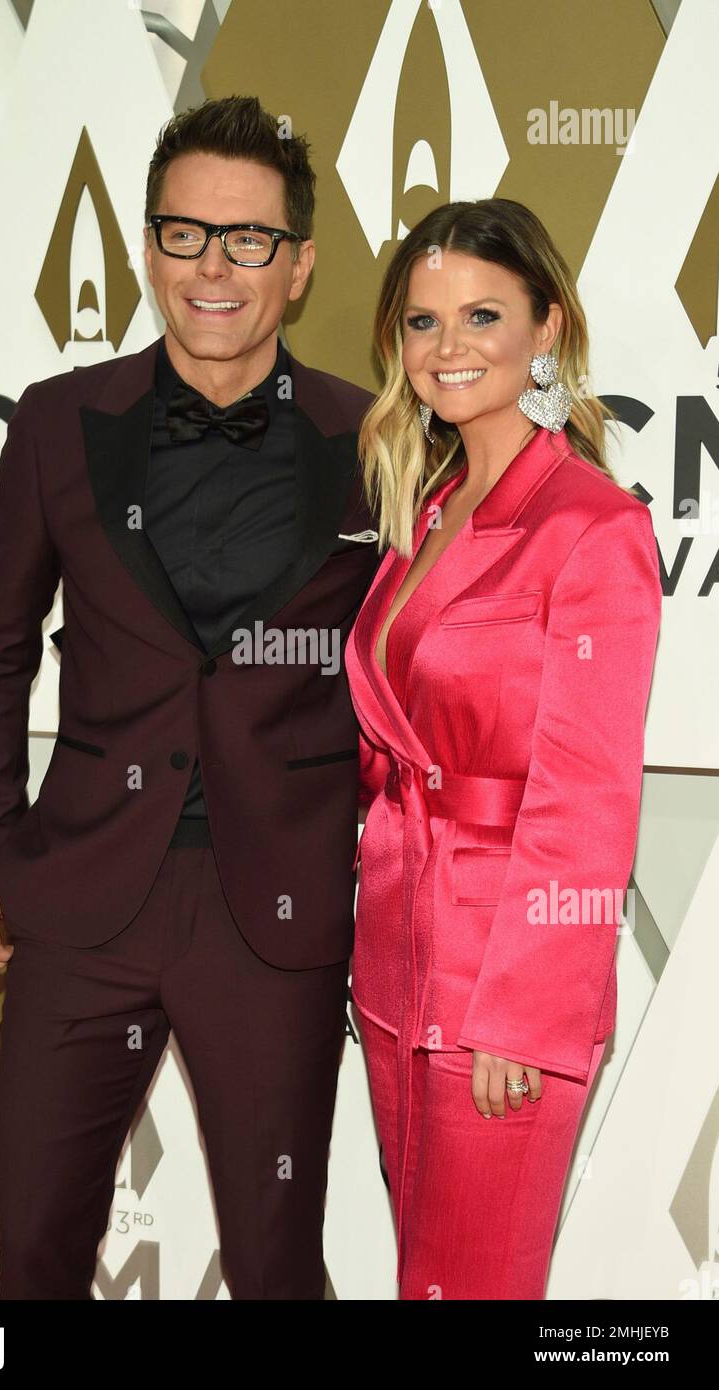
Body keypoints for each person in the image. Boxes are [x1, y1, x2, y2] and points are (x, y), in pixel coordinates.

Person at [0, 95, 380, 1300]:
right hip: (80, 898)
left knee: (273, 1264)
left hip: (273, 911)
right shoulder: (55, 422)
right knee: (33, 1250)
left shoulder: (375, 440)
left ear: (296, 266)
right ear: (146, 248)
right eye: (184, 233)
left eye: (246, 240)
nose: (212, 266)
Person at [344, 198, 662, 1300]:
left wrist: (520, 1013)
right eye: (422, 323)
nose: (448, 348)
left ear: (546, 327)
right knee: (422, 1281)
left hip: (500, 994)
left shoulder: (591, 527)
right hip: (394, 963)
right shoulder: (428, 505)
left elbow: (584, 797)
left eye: (482, 314)